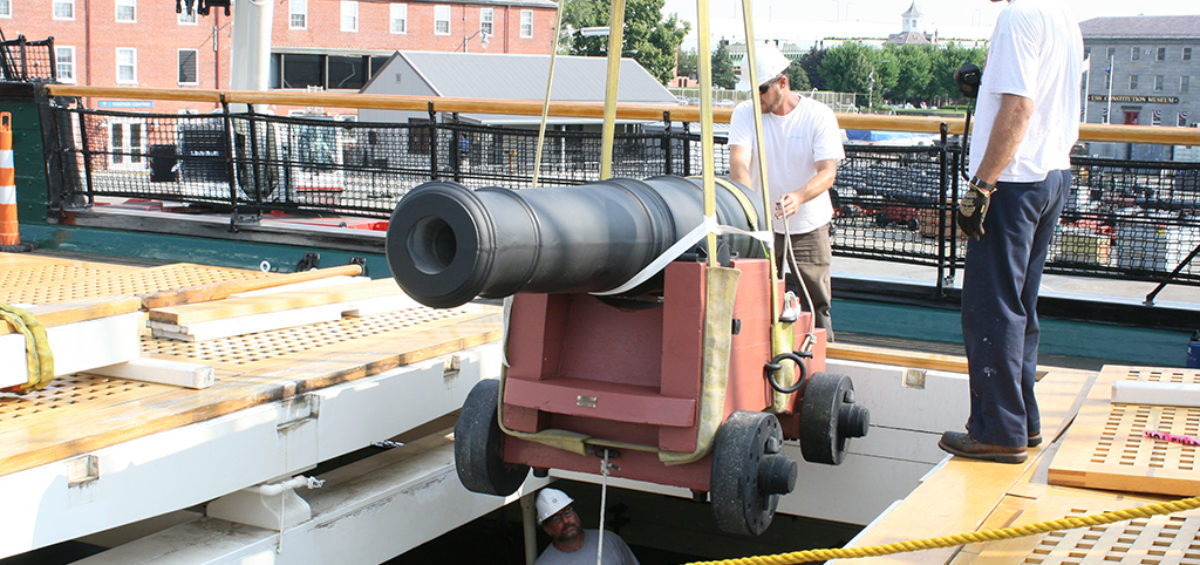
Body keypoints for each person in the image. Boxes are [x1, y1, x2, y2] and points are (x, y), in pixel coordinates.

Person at [938, 0, 1083, 464]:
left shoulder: (1018, 16)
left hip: (1016, 181)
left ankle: (998, 431)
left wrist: (981, 184)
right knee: (1019, 305)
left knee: (991, 309)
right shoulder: (1062, 15)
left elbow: (1019, 108)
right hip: (1050, 174)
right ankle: (1024, 422)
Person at [728, 42, 844, 341]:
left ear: (783, 82)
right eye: (751, 92)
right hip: (762, 225)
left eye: (762, 90)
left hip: (808, 225)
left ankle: (823, 357)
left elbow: (827, 172)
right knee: (756, 297)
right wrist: (751, 208)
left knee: (817, 302)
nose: (756, 98)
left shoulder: (819, 115)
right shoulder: (745, 113)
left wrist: (799, 196)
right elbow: (739, 162)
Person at [534, 488, 639, 565]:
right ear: (547, 529)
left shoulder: (609, 540)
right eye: (556, 519)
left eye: (567, 512)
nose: (565, 521)